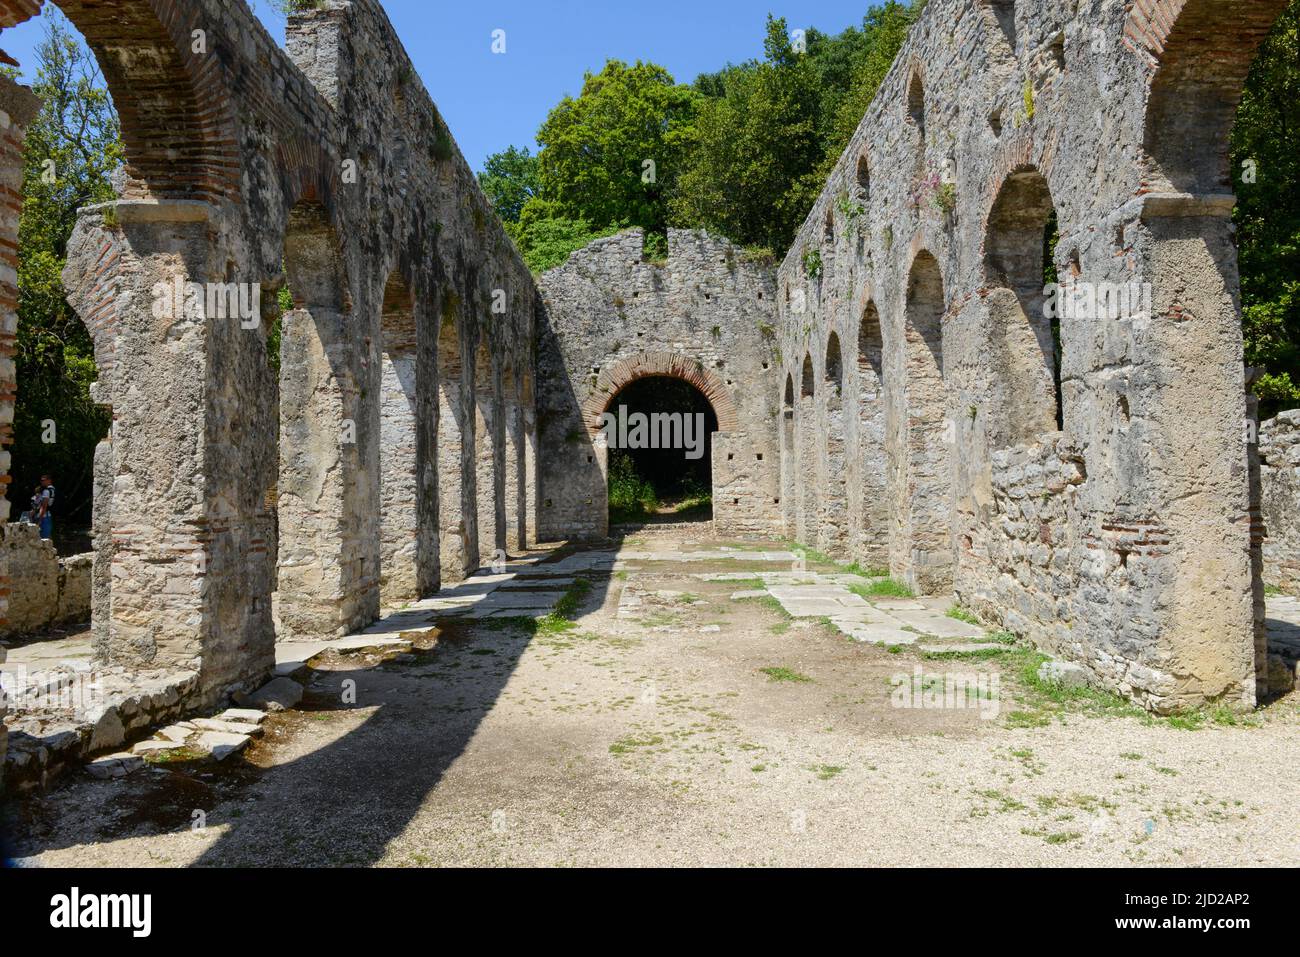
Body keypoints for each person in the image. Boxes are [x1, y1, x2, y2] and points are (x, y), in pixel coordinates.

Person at [34, 474, 55, 540]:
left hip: (44, 517)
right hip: (48, 516)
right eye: (41, 480)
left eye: (43, 480)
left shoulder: (46, 491)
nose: (41, 482)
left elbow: (44, 507)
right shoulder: (52, 490)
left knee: (44, 539)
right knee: (47, 538)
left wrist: (39, 520)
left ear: (49, 480)